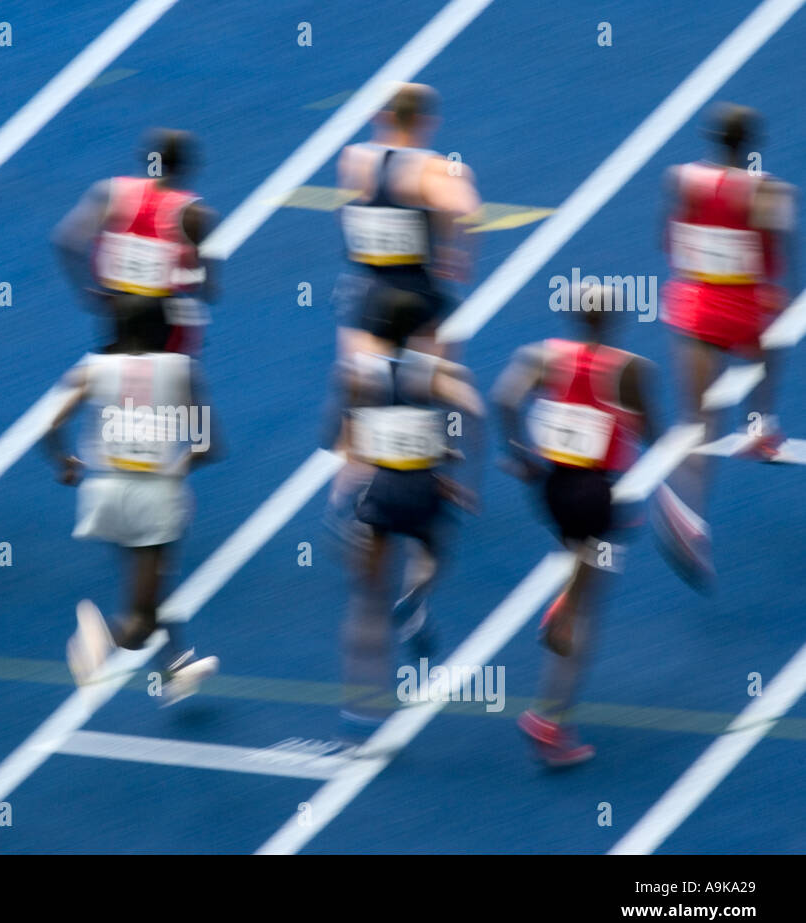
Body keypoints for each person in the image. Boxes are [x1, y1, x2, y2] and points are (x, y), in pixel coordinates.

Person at [493, 283, 660, 765]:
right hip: (595, 495)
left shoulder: (542, 357)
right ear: (614, 319)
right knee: (586, 613)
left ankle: (569, 594)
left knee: (584, 554)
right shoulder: (630, 369)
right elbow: (653, 431)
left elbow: (504, 399)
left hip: (551, 490)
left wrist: (520, 454)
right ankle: (549, 721)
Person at [47, 295, 220, 705]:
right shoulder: (182, 371)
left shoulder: (93, 369)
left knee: (148, 581)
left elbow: (52, 424)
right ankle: (103, 638)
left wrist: (65, 463)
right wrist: (176, 469)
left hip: (102, 494)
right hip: (155, 497)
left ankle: (175, 665)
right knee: (141, 613)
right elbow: (205, 443)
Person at [655, 102, 796, 587]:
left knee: (696, 423)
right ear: (752, 145)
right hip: (742, 310)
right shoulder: (771, 191)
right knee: (774, 339)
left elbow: (666, 238)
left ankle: (686, 515)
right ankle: (760, 422)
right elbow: (779, 258)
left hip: (691, 303)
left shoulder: (681, 179)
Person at [328, 290, 483, 733]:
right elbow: (473, 410)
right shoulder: (434, 373)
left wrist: (346, 488)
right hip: (420, 488)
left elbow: (352, 437)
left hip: (378, 489)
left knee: (364, 601)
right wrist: (461, 474)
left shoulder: (357, 375)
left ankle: (359, 700)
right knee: (432, 550)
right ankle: (414, 598)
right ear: (418, 331)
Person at [333, 83, 479, 362]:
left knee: (359, 384)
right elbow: (463, 207)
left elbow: (344, 209)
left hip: (368, 291)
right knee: (436, 385)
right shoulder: (438, 169)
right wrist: (457, 254)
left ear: (381, 116)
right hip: (419, 293)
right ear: (426, 122)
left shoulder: (353, 159)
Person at [52, 128, 217, 357]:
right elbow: (206, 285)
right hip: (164, 311)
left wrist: (89, 289)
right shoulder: (194, 212)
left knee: (119, 374)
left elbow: (66, 241)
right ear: (186, 166)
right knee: (174, 383)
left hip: (120, 307)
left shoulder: (109, 192)